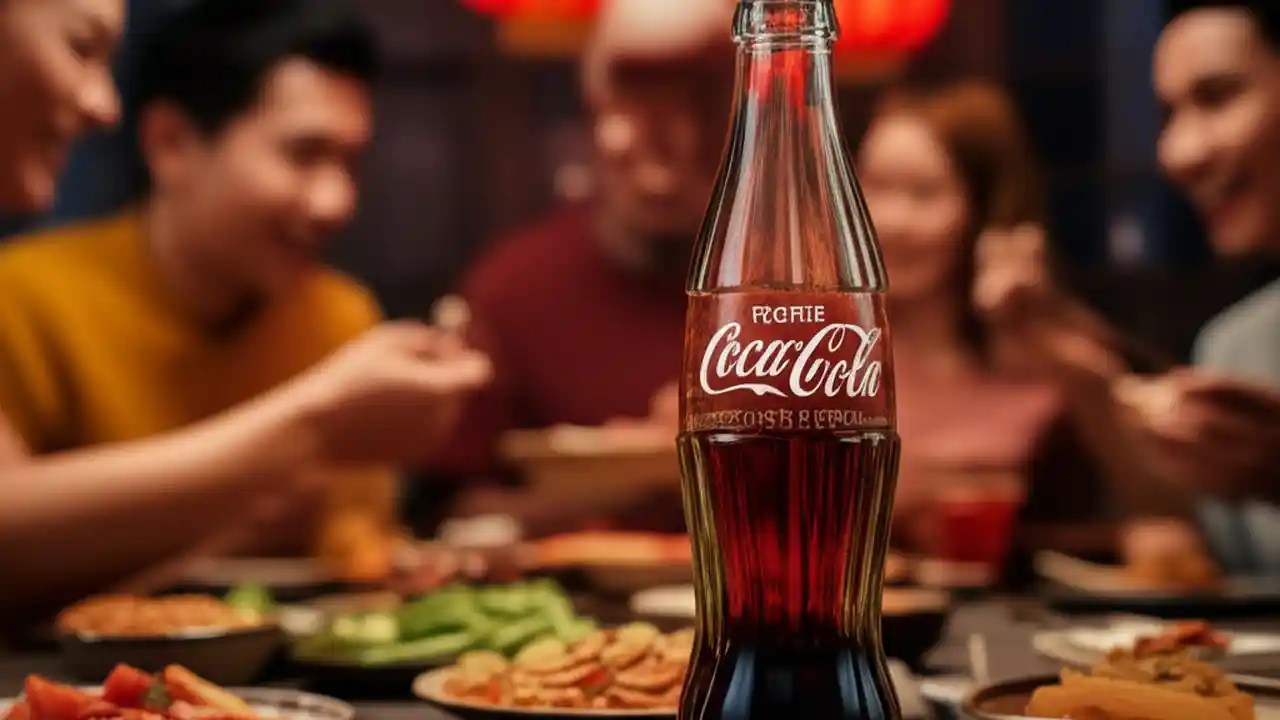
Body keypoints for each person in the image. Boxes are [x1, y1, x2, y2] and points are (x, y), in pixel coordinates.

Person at [0, 0, 489, 623]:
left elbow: (361, 557)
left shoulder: (341, 317)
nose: (336, 201)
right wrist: (311, 429)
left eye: (351, 162)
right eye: (303, 155)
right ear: (171, 143)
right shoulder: (24, 298)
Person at [980, 0, 1280, 573]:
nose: (1176, 153)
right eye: (1168, 113)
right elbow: (1215, 560)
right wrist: (1076, 365)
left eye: (1218, 96)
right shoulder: (1236, 345)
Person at [428, 0, 735, 534]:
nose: (659, 177)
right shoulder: (514, 289)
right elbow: (449, 508)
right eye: (633, 114)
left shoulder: (795, 296)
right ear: (594, 112)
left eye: (694, 121)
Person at [856, 81, 1107, 557]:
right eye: (876, 185)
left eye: (924, 193)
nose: (891, 219)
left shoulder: (1046, 349)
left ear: (985, 209)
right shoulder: (819, 353)